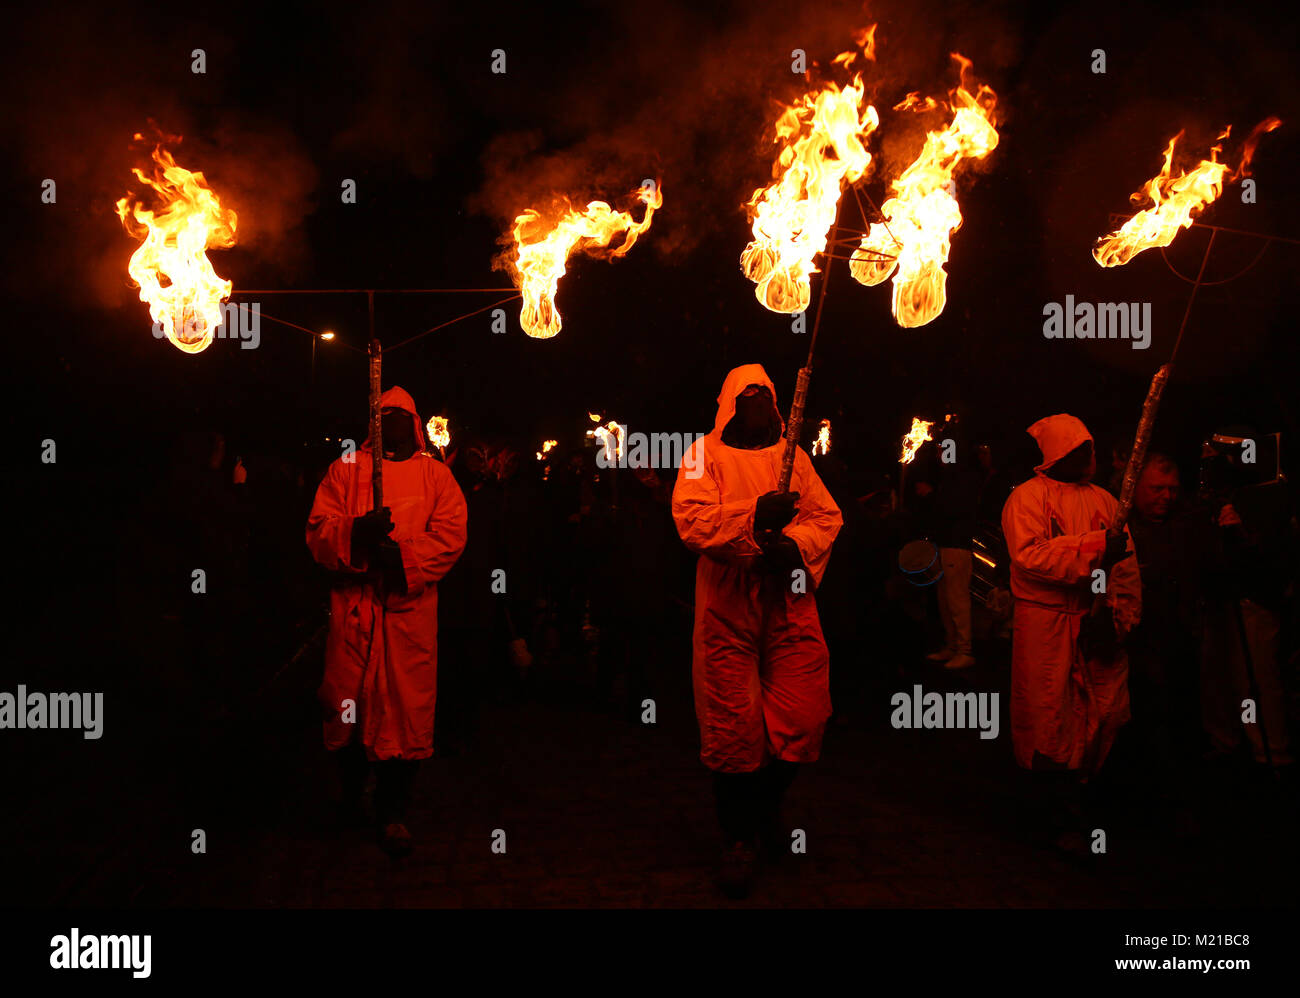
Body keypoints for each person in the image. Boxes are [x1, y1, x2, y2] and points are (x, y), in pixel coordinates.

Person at [672, 364, 843, 898]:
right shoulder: (705, 454)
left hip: (790, 602)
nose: (757, 405)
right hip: (728, 607)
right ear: (728, 405)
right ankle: (738, 838)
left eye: (764, 396)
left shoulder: (794, 459)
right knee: (733, 728)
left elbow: (826, 518)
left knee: (803, 718)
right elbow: (693, 521)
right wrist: (753, 519)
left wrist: (793, 547)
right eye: (745, 397)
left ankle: (766, 805)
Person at [306, 387, 468, 857]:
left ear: (414, 422)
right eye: (385, 414)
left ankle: (394, 811)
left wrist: (400, 559)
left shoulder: (435, 476)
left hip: (407, 617)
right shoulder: (346, 469)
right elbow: (319, 529)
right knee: (348, 709)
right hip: (354, 614)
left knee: (404, 714)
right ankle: (351, 799)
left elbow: (452, 535)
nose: (393, 421)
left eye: (401, 415)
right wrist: (356, 533)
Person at [1001, 414, 1141, 854]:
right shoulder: (1027, 498)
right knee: (1048, 717)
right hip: (1045, 624)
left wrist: (1117, 616)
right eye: (1078, 449)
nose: (1089, 457)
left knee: (1101, 713)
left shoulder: (1106, 500)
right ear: (1056, 454)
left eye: (1090, 448)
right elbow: (1030, 557)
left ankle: (1086, 804)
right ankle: (1052, 816)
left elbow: (1125, 568)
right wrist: (1095, 547)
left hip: (1095, 619)